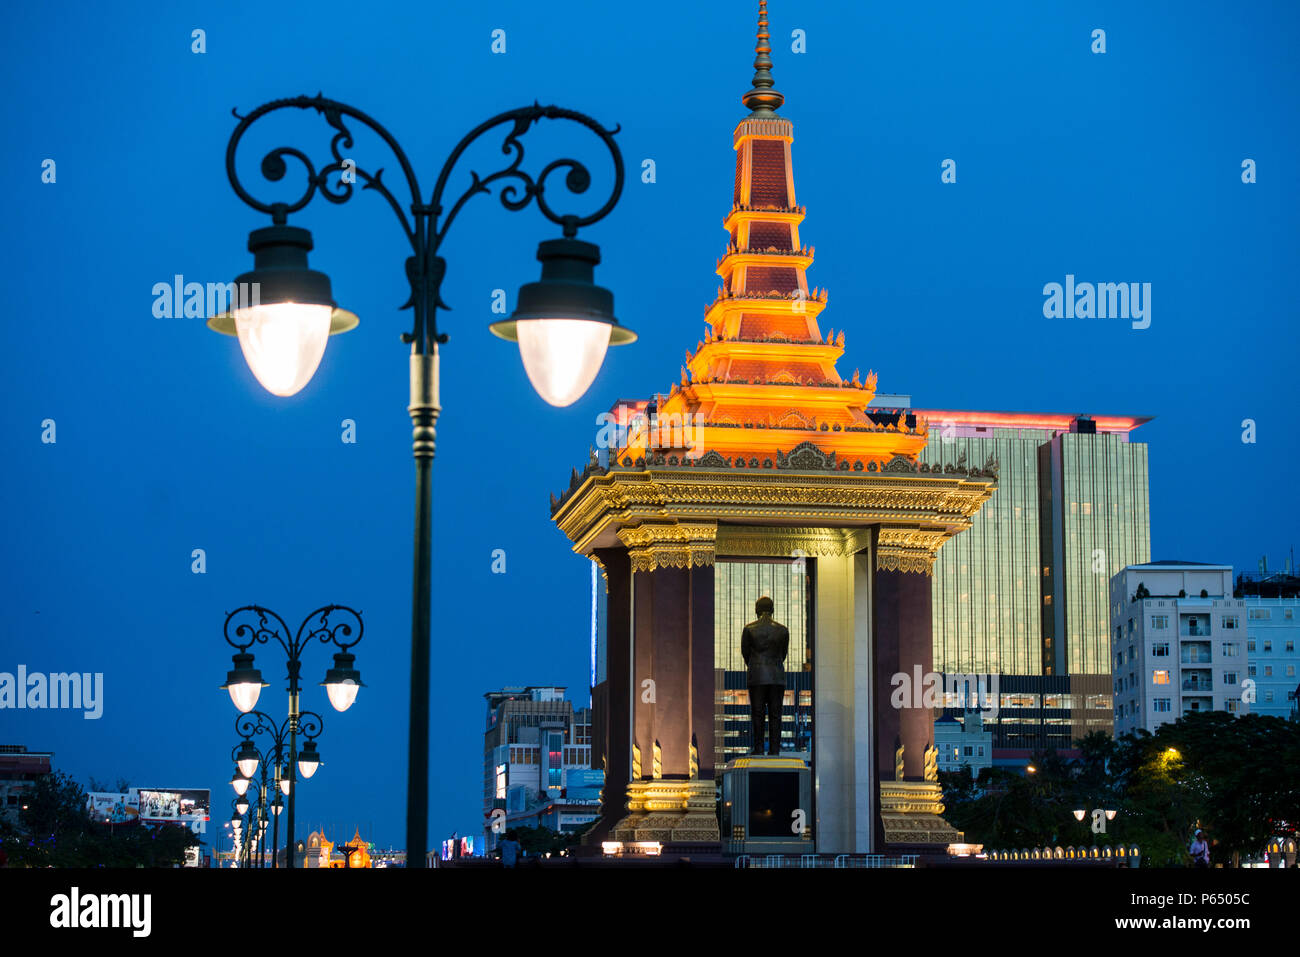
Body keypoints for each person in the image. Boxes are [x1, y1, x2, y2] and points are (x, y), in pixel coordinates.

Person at [741, 595, 789, 756]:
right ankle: (774, 750)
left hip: (757, 677)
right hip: (777, 677)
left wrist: (757, 666)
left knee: (758, 713)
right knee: (776, 715)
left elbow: (746, 653)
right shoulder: (782, 630)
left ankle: (759, 748)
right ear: (772, 610)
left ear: (756, 610)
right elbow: (783, 654)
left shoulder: (749, 629)